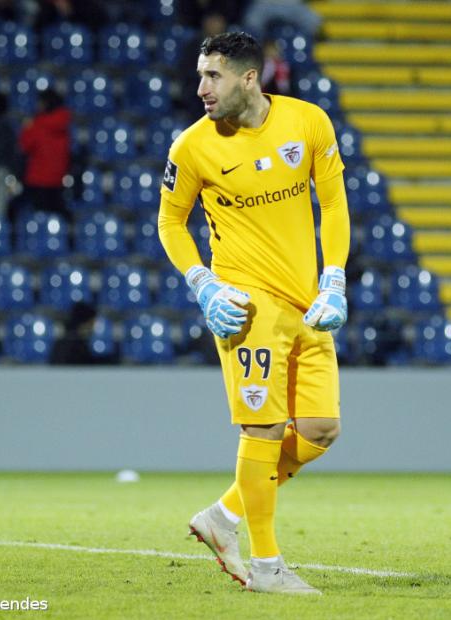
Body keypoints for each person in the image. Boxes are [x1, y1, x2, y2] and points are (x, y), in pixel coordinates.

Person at [158, 32, 349, 595]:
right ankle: (266, 567)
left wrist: (334, 277)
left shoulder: (308, 122)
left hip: (307, 301)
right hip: (244, 304)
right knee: (263, 428)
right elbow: (171, 223)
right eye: (199, 76)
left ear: (248, 78)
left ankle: (222, 517)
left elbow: (334, 202)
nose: (201, 89)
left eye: (212, 76)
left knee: (319, 430)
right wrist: (204, 286)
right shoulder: (191, 147)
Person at [16, 88, 71, 223]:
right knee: (57, 214)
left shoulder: (37, 124)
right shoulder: (64, 124)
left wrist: (26, 127)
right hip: (58, 177)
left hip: (38, 177)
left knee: (40, 218)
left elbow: (24, 146)